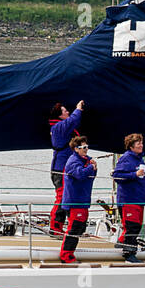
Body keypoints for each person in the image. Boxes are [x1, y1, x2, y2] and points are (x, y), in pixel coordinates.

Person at [48, 99, 85, 235]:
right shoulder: (59, 127)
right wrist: (78, 109)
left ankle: (64, 225)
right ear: (59, 115)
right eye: (65, 111)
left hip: (65, 168)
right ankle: (55, 227)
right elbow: (72, 121)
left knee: (67, 197)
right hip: (60, 170)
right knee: (62, 197)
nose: (67, 112)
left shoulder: (60, 127)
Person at [59, 135, 97, 263]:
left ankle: (69, 253)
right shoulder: (73, 161)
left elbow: (89, 175)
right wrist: (91, 167)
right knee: (74, 228)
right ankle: (66, 255)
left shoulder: (85, 160)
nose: (86, 149)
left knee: (79, 228)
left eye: (87, 147)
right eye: (83, 147)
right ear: (76, 149)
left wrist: (93, 167)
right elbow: (80, 174)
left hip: (83, 199)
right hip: (75, 201)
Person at [112, 133, 145, 262]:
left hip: (138, 199)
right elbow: (117, 175)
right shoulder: (126, 158)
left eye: (141, 143)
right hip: (129, 199)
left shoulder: (139, 158)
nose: (141, 145)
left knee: (136, 227)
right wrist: (135, 174)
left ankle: (123, 243)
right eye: (138, 143)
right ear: (131, 146)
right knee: (132, 227)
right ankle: (129, 254)